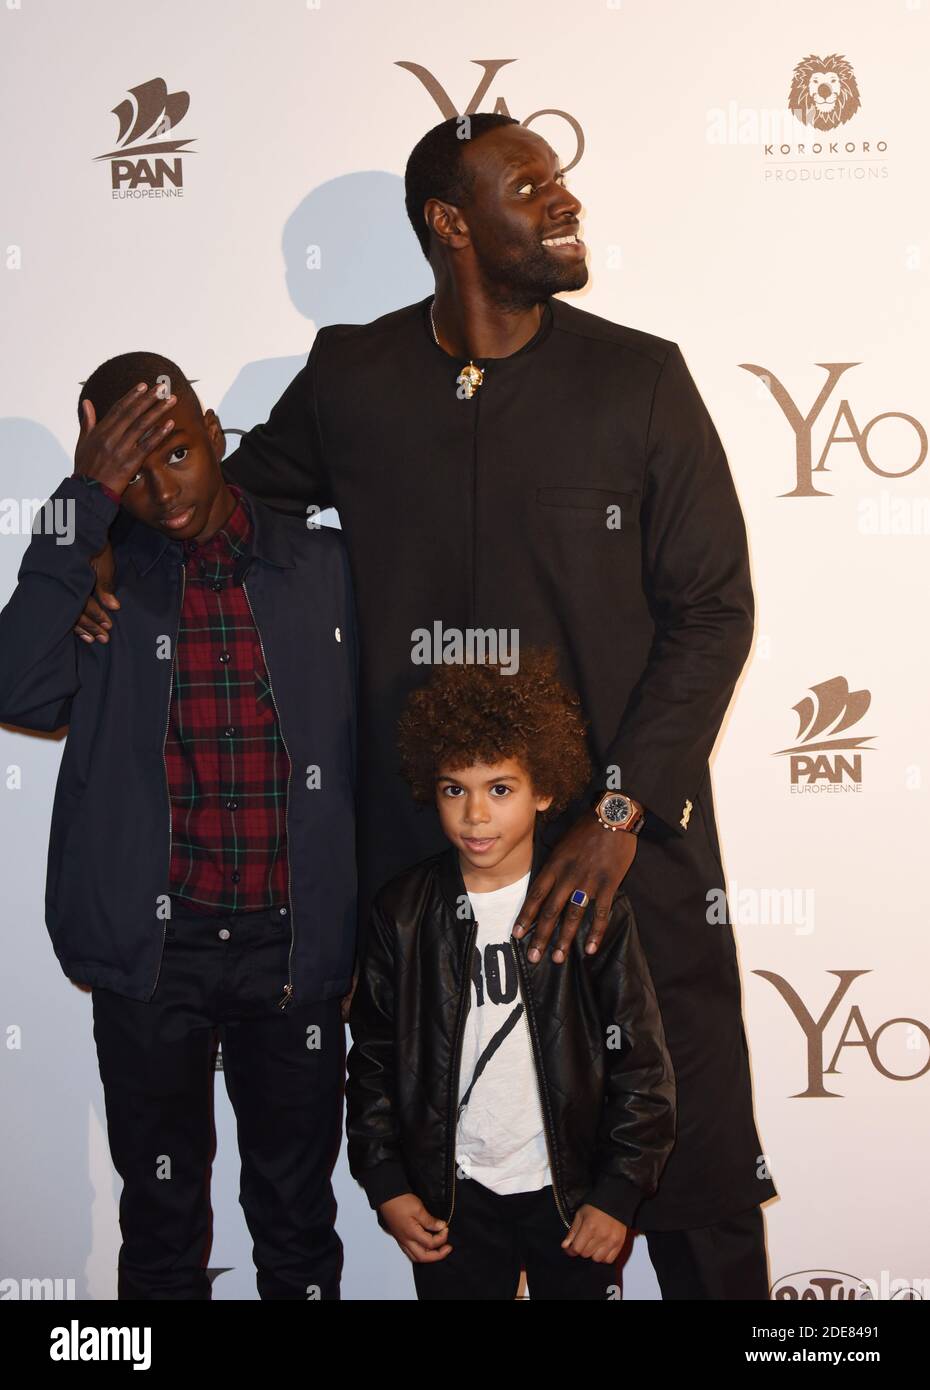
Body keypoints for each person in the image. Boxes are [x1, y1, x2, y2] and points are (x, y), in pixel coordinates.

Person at [77, 113, 778, 1297]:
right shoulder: (354, 374)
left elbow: (715, 611)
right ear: (451, 224)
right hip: (429, 878)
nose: (563, 202)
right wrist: (105, 551)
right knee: (459, 1207)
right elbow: (223, 509)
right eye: (528, 185)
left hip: (619, 859)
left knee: (691, 1193)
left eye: (558, 181)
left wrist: (618, 814)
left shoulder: (639, 378)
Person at [0, 353, 358, 1299]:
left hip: (294, 953)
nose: (164, 493)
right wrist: (83, 505)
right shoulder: (102, 585)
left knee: (297, 1223)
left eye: (179, 453)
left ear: (211, 425)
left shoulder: (318, 569)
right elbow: (16, 688)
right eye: (134, 470)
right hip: (158, 959)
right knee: (159, 1228)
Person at [346, 651, 676, 1299]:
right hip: (451, 1197)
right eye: (454, 789)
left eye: (500, 789)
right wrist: (386, 1183)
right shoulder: (403, 912)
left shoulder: (589, 906)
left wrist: (615, 1193)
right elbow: (375, 1060)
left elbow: (641, 1063)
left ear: (544, 788)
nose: (475, 815)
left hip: (569, 1195)